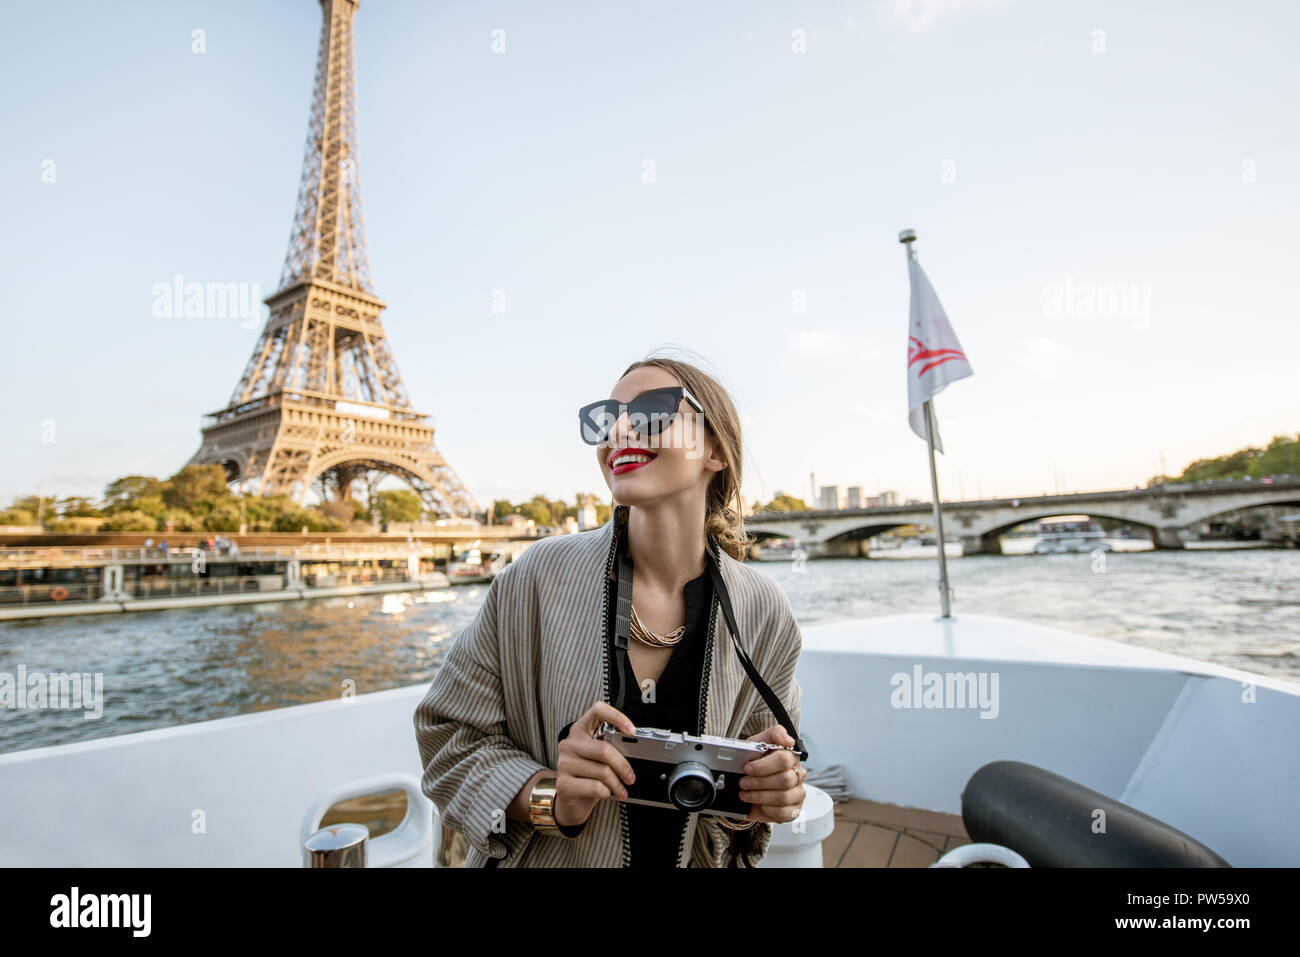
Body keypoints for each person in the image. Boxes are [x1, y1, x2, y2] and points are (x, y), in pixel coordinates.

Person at [414, 355, 805, 867]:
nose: (618, 430)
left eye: (651, 410)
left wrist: (765, 795)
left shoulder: (764, 611)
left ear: (715, 448)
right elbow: (447, 737)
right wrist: (551, 796)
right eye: (605, 417)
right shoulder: (536, 577)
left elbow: (759, 779)